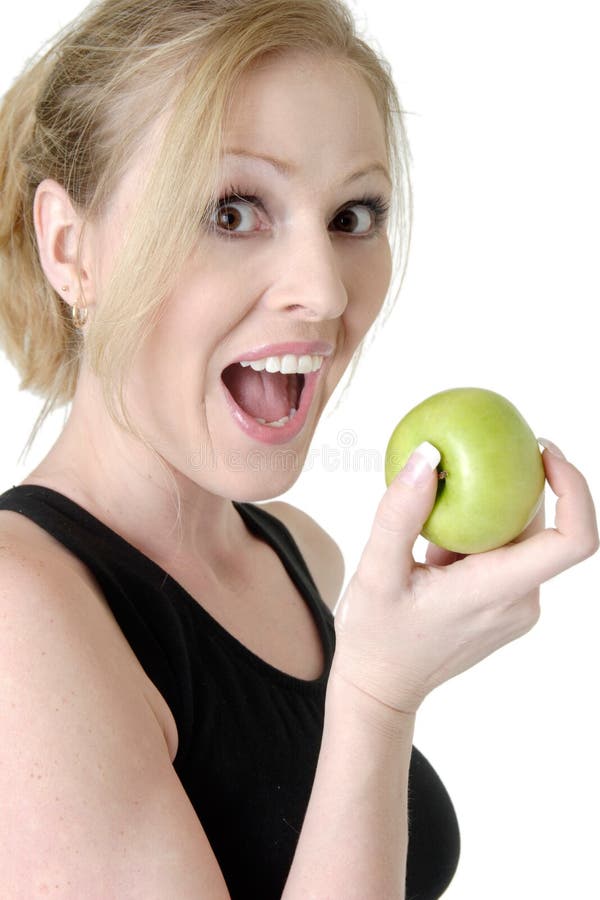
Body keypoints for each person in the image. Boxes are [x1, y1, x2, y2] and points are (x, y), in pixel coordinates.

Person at [0, 0, 596, 897]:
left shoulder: (301, 552)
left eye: (352, 215)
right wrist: (377, 698)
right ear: (69, 245)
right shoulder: (18, 617)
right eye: (233, 211)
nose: (323, 292)